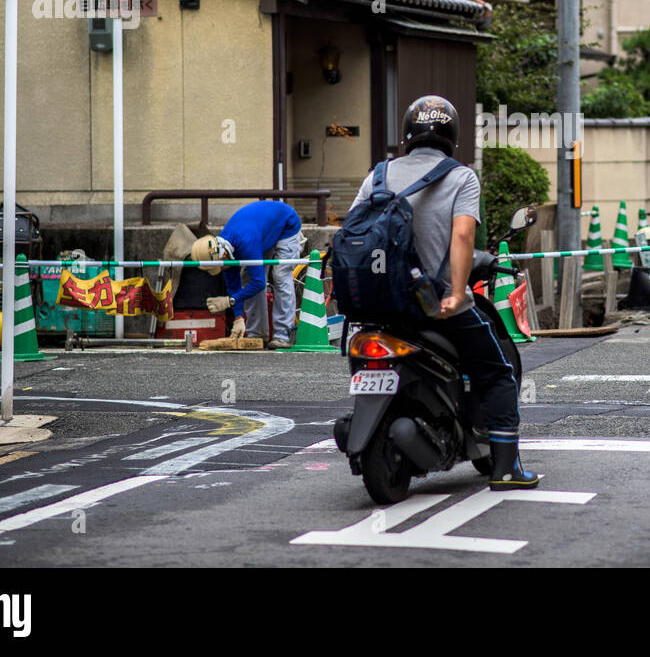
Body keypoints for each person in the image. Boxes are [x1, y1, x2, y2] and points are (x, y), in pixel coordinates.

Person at [350, 95, 538, 490]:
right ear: (451, 134)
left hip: (377, 310)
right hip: (433, 306)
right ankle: (505, 468)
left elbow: (352, 231)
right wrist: (454, 293)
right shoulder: (461, 177)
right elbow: (463, 234)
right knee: (498, 373)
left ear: (407, 134)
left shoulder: (377, 176)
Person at [192, 201, 306, 349]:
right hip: (262, 232)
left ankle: (283, 336)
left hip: (286, 224)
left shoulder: (244, 243)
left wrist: (231, 301)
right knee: (247, 277)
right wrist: (238, 318)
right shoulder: (223, 248)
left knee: (280, 275)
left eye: (220, 266)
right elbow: (233, 285)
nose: (222, 269)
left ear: (223, 255)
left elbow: (259, 283)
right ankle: (257, 335)